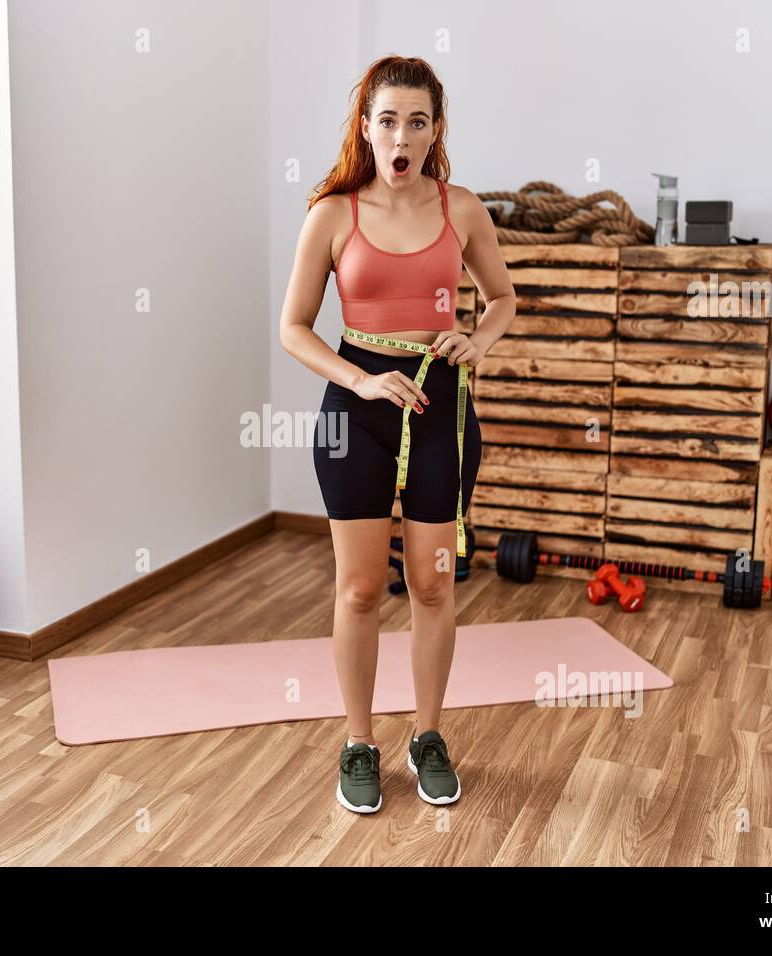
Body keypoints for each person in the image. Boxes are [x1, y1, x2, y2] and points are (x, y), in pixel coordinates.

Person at [279, 55, 516, 812]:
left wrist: (478, 341)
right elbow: (292, 328)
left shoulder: (464, 209)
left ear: (435, 128)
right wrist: (359, 379)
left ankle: (427, 735)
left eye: (417, 120)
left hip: (441, 407)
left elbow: (503, 297)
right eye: (388, 120)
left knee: (433, 584)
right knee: (356, 590)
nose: (402, 135)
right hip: (358, 411)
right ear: (366, 127)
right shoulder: (334, 214)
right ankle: (357, 742)